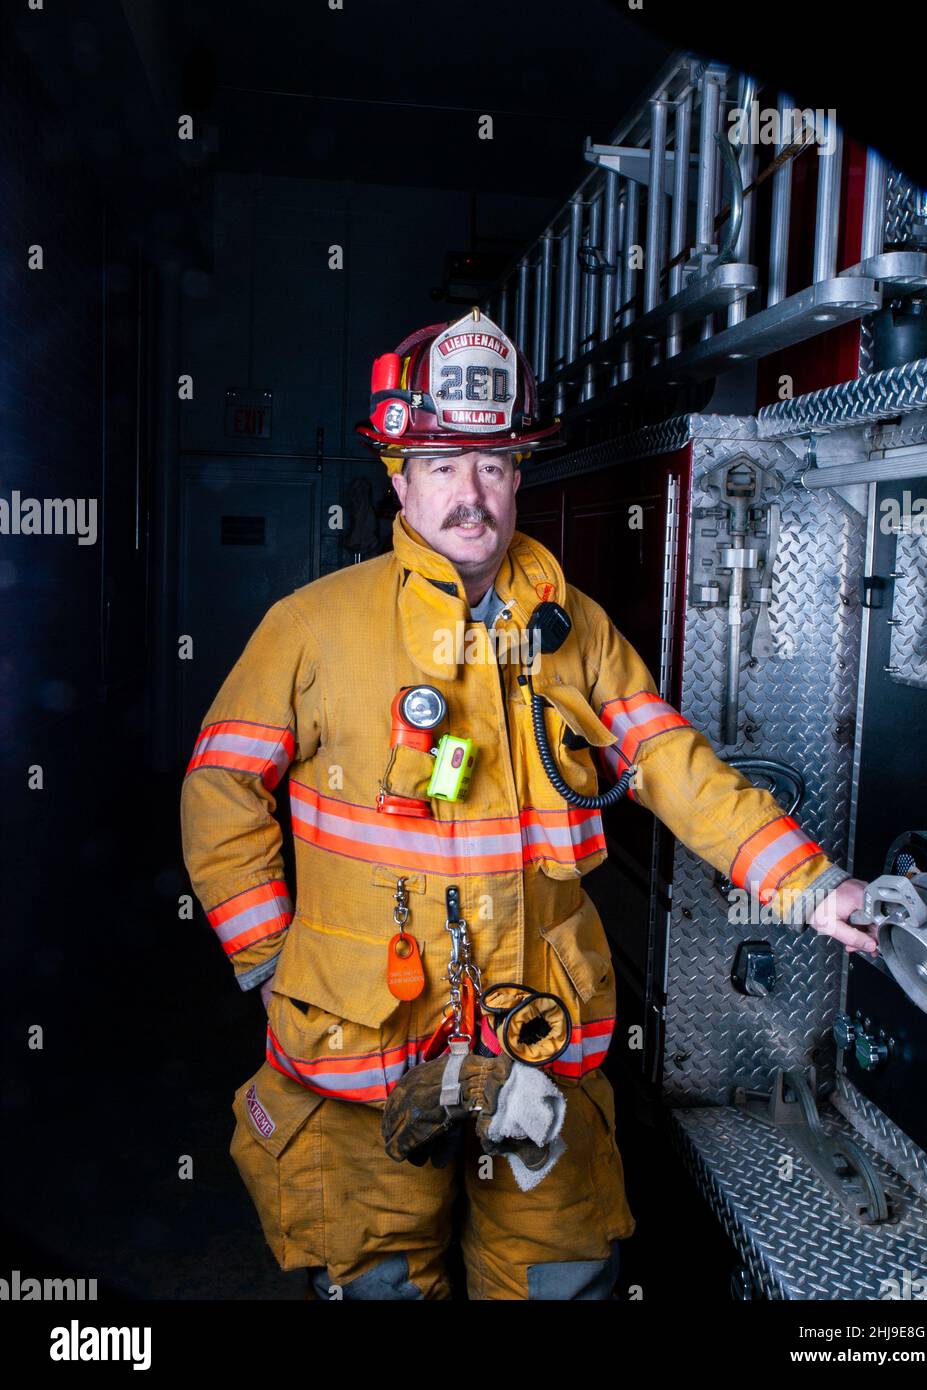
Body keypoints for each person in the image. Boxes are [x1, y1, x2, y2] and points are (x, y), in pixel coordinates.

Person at [180, 308, 873, 1301]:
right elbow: (219, 786)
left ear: (519, 475)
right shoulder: (311, 626)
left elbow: (673, 763)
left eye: (496, 465)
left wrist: (813, 888)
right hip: (363, 1040)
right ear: (397, 473)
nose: (471, 494)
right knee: (374, 1280)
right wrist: (265, 950)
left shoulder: (574, 628)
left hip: (537, 1037)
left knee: (562, 1277)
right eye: (442, 465)